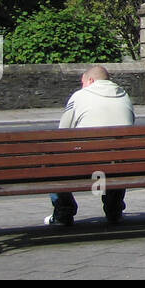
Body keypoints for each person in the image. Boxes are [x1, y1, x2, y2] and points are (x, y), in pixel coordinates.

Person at [45, 65, 136, 226]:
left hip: (87, 165)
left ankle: (64, 211)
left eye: (83, 82)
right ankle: (114, 210)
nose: (82, 86)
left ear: (91, 80)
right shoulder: (124, 95)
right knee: (116, 155)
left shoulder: (80, 96)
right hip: (120, 164)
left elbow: (62, 133)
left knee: (52, 162)